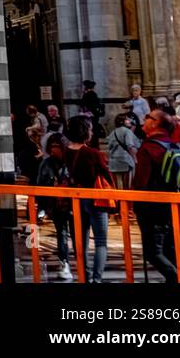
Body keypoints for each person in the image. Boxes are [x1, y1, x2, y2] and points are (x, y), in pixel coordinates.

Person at [131, 109, 180, 283]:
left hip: (152, 208)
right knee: (169, 249)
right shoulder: (175, 145)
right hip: (174, 206)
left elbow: (141, 182)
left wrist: (134, 205)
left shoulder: (148, 148)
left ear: (155, 124)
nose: (144, 119)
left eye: (148, 117)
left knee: (153, 252)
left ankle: (177, 279)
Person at [66, 115, 111, 282]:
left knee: (81, 242)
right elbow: (106, 175)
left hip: (76, 199)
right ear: (85, 131)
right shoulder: (93, 153)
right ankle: (96, 279)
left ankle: (84, 276)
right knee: (100, 241)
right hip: (95, 199)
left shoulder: (67, 151)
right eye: (90, 129)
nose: (92, 132)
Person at [36, 136, 74, 279]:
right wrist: (42, 206)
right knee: (62, 233)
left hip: (72, 203)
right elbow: (40, 185)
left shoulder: (71, 162)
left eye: (56, 146)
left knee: (77, 234)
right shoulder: (46, 164)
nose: (53, 149)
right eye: (51, 146)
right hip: (56, 205)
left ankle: (82, 264)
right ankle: (64, 262)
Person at [105, 112, 140, 190]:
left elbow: (109, 147)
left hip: (114, 163)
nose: (130, 121)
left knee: (118, 187)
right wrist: (135, 159)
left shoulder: (112, 132)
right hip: (126, 162)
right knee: (128, 186)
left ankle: (119, 201)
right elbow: (130, 146)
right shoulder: (127, 132)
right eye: (127, 119)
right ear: (122, 121)